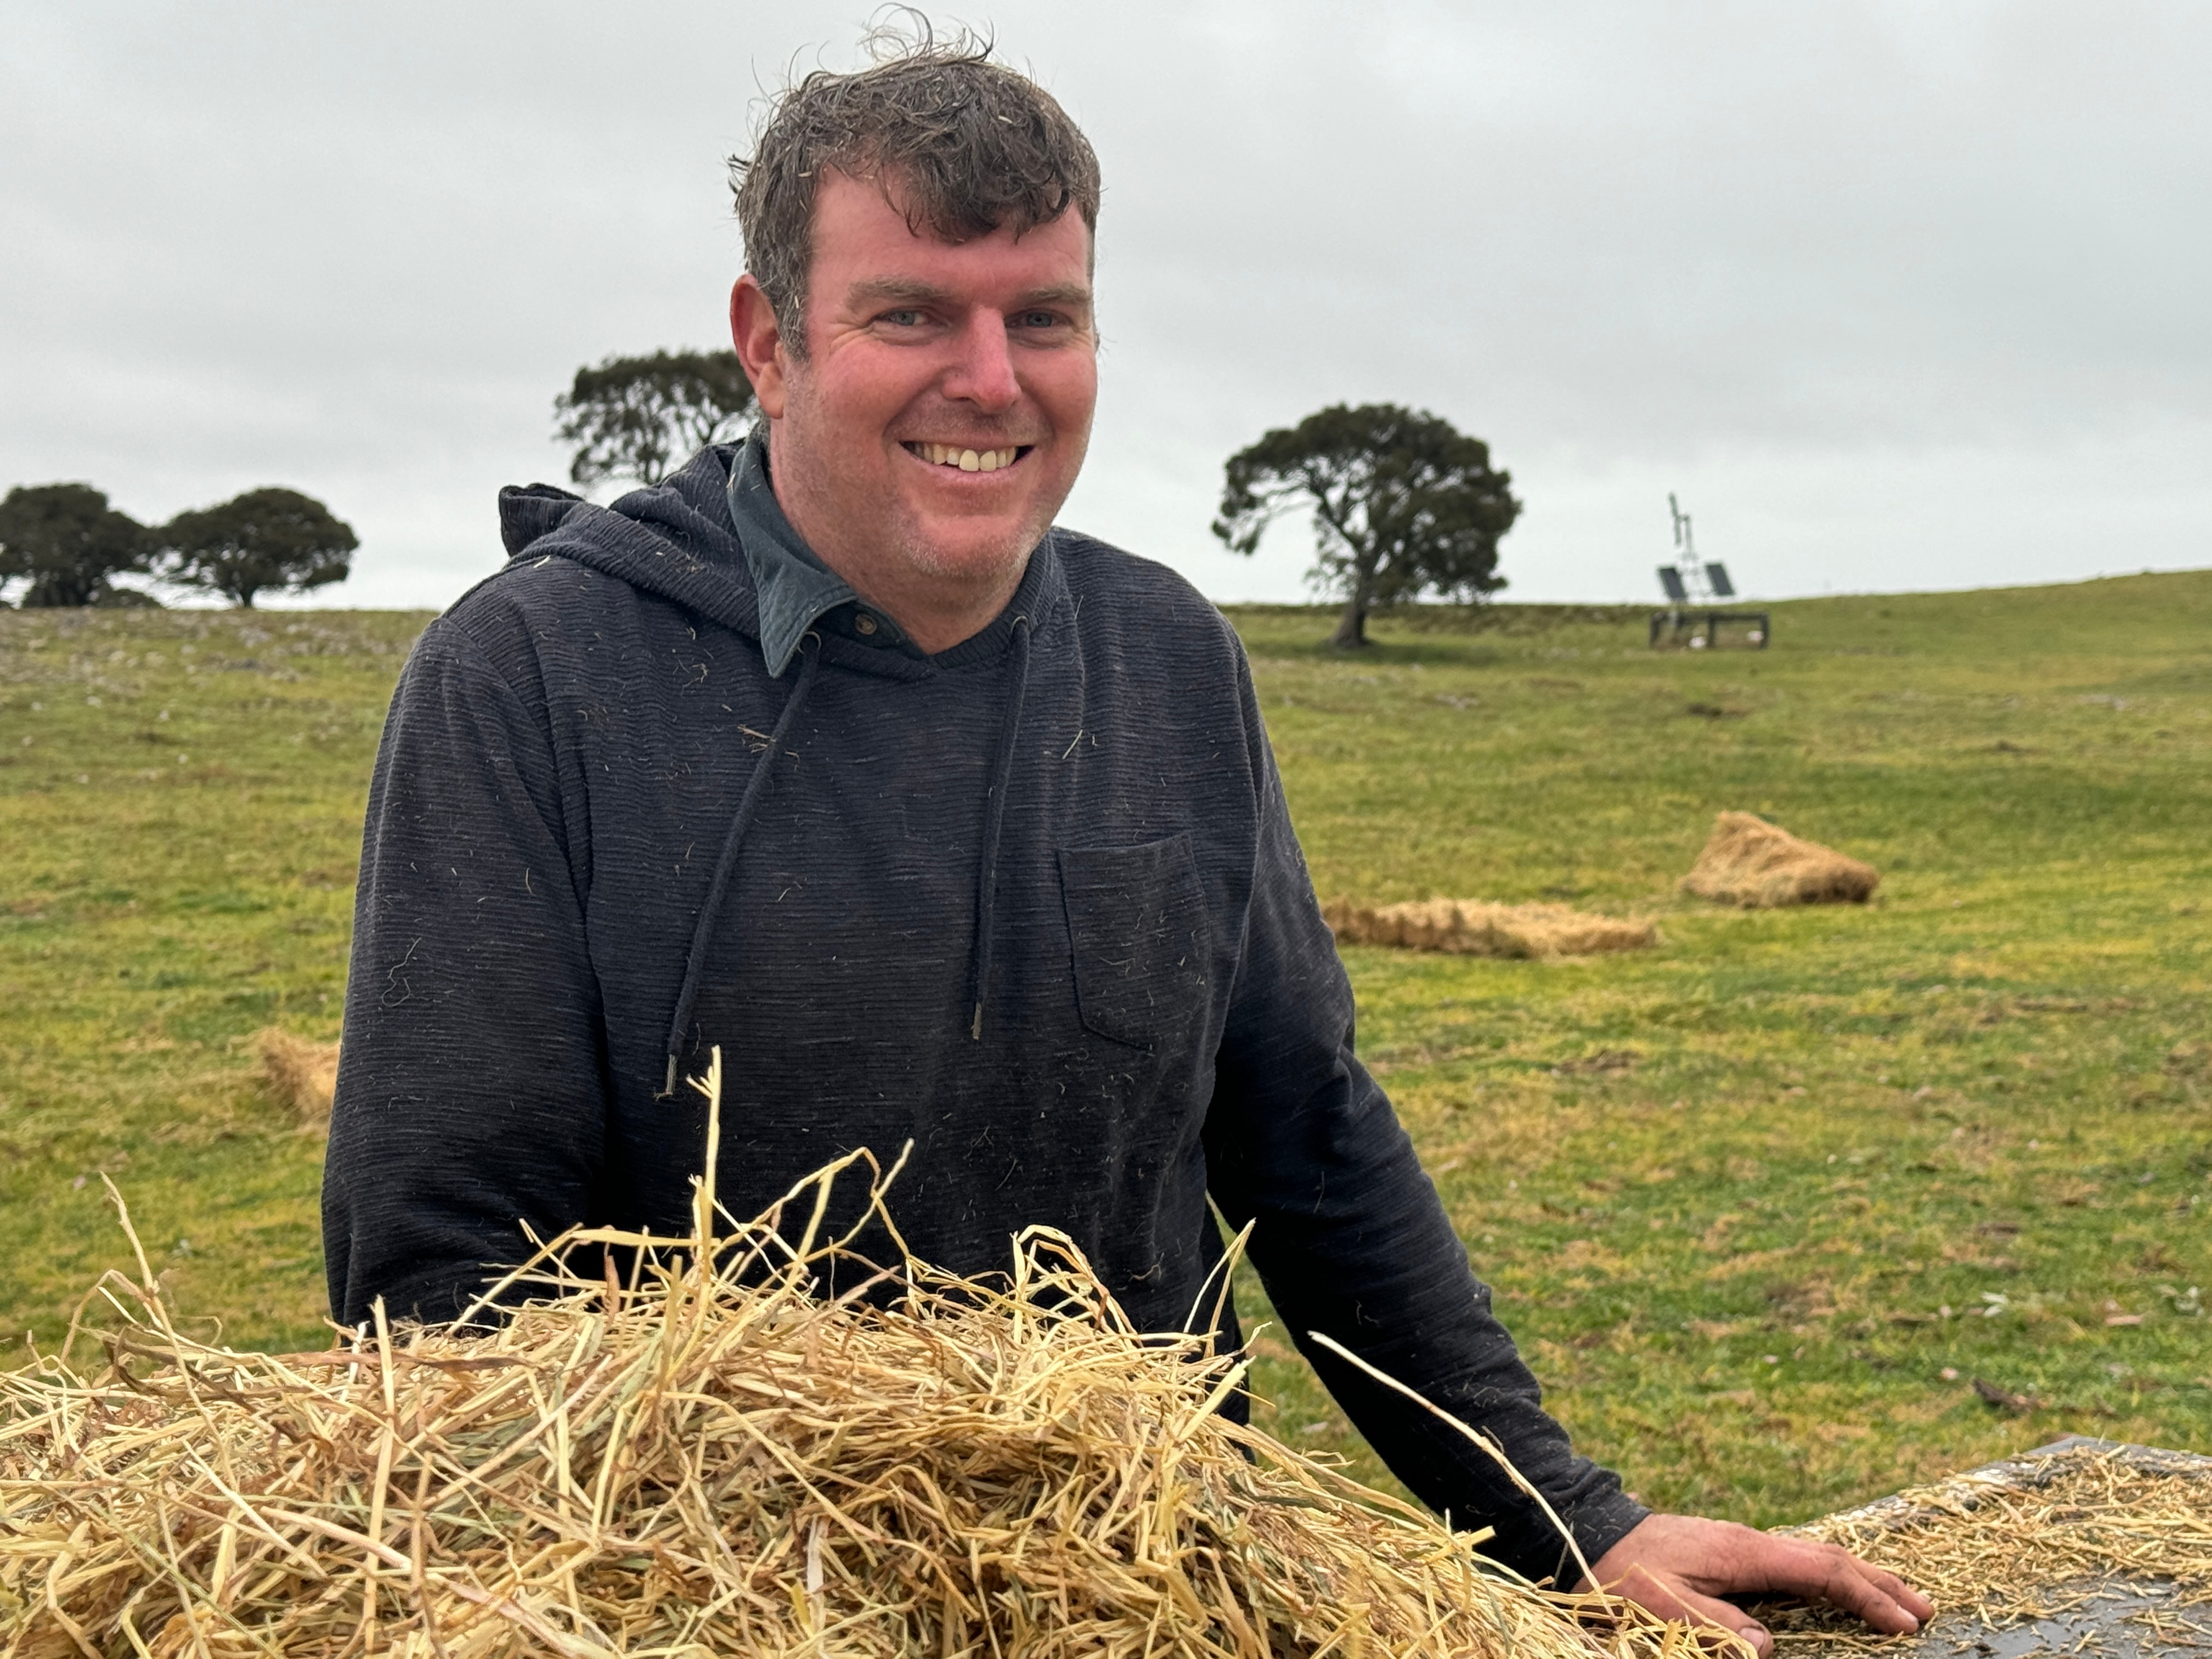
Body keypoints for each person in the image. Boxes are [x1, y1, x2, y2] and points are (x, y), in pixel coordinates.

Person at [323, 32, 1932, 1658]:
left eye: (1045, 317)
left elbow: (1305, 1135)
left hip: (1152, 1585)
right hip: (724, 1612)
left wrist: (1564, 1518)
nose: (991, 377)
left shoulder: (1169, 658)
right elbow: (443, 1280)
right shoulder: (532, 678)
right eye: (909, 314)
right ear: (770, 343)